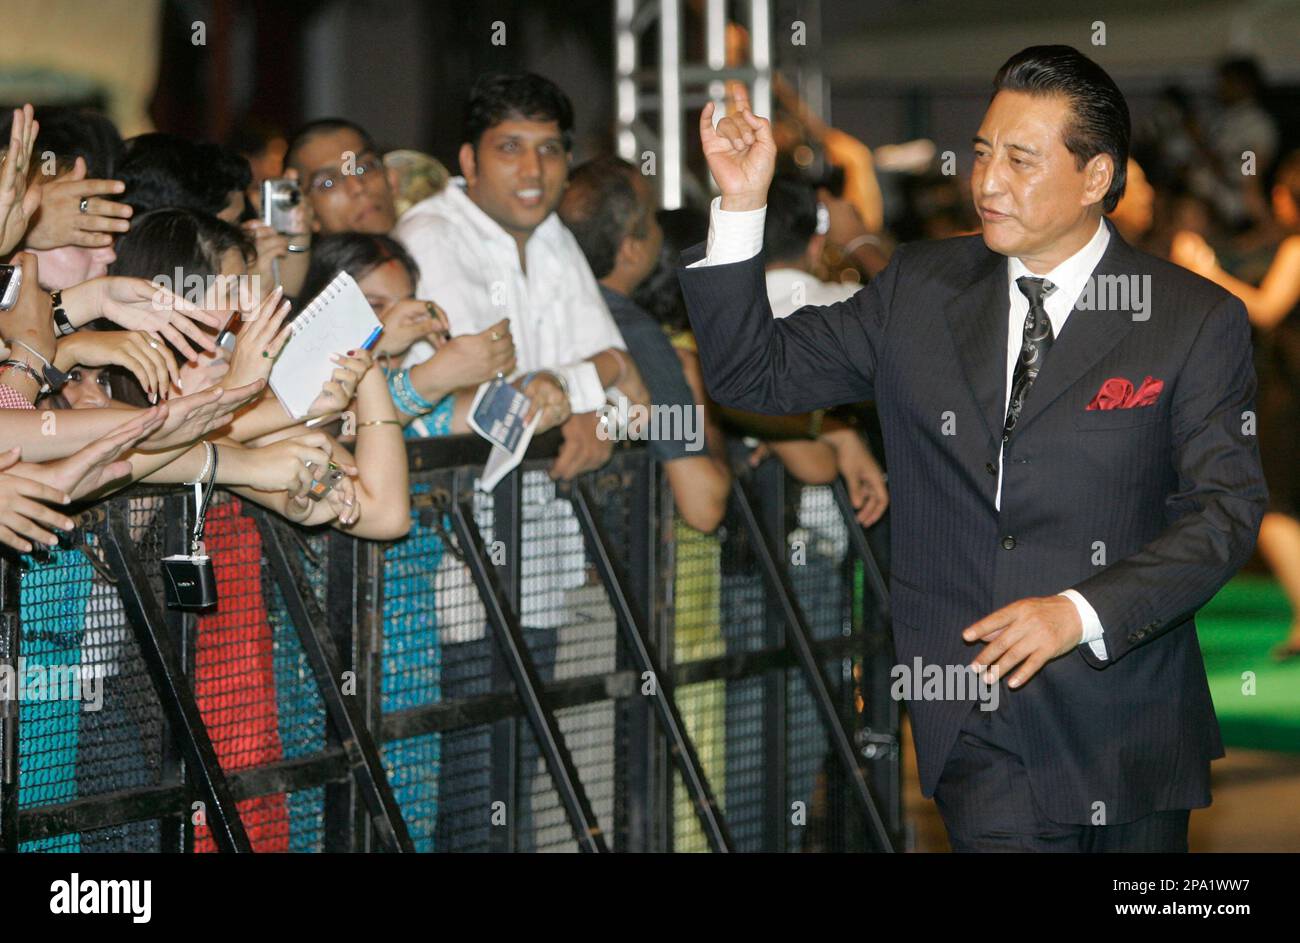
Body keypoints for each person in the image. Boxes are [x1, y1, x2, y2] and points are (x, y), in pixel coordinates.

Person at [680, 45, 1266, 852]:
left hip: (1131, 728)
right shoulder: (919, 289)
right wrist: (741, 203)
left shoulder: (1191, 319)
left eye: (1020, 160)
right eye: (983, 153)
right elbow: (753, 372)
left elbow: (1225, 512)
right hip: (978, 724)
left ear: (1096, 177)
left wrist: (1080, 612)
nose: (986, 181)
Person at [1172, 150, 1300, 659]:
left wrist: (1205, 272)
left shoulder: (1295, 245)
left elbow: (1266, 310)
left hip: (1288, 390)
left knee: (1273, 505)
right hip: (1285, 385)